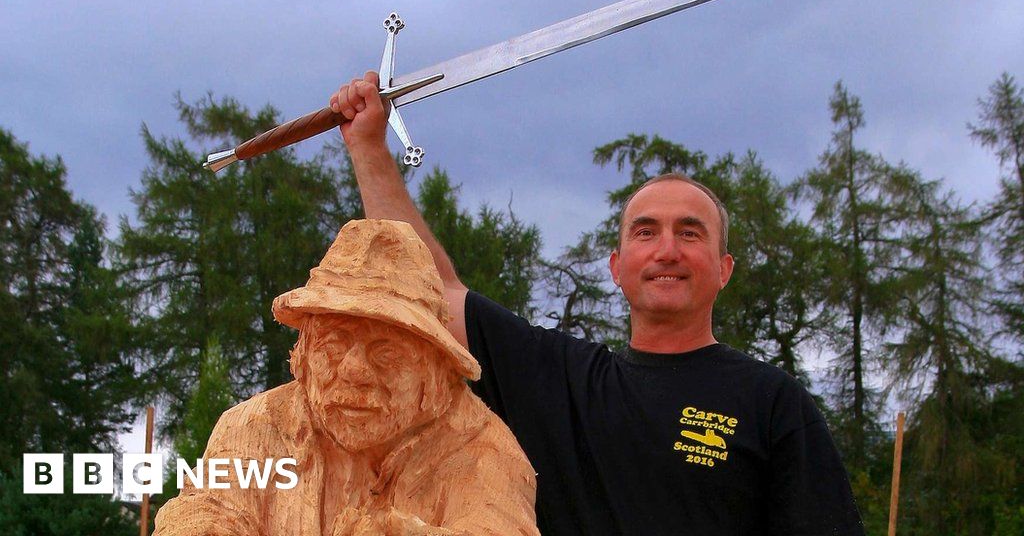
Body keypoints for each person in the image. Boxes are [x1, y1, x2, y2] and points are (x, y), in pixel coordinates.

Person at [329, 71, 865, 535]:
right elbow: (434, 290)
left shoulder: (772, 404)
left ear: (724, 269)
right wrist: (369, 149)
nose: (668, 250)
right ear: (616, 266)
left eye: (691, 233)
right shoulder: (562, 384)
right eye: (647, 231)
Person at [153, 219, 538, 536]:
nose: (353, 372)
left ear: (435, 371)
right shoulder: (253, 428)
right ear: (302, 355)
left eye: (386, 353)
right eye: (333, 345)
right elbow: (204, 512)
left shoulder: (484, 452)